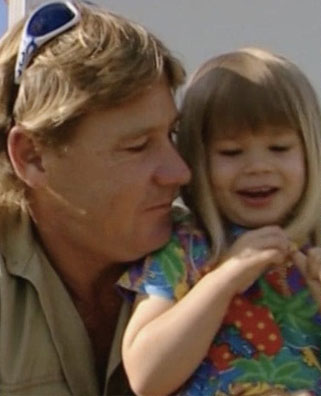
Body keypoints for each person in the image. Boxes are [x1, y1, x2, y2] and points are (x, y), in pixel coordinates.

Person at [0, 1, 190, 395]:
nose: (180, 173)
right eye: (137, 146)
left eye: (171, 135)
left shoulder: (211, 256)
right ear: (33, 157)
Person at [118, 48, 321, 396]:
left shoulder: (320, 250)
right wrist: (225, 279)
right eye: (231, 152)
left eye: (279, 148)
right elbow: (145, 377)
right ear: (196, 159)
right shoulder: (182, 250)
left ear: (309, 151)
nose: (258, 166)